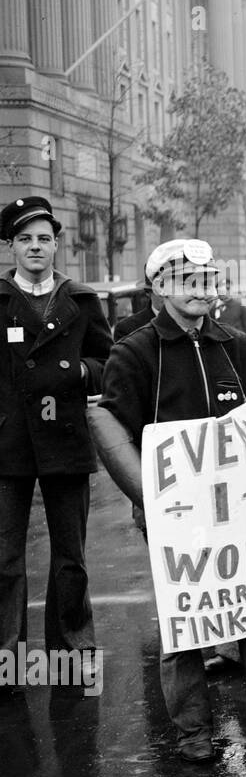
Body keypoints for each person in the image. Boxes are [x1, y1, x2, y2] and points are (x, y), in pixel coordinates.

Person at [96, 238, 246, 762]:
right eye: (186, 279)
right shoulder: (134, 351)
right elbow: (117, 434)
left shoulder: (235, 345)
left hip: (241, 509)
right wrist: (149, 500)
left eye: (208, 279)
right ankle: (194, 733)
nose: (201, 289)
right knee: (187, 620)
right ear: (158, 287)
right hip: (175, 515)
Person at [0, 196, 111, 694]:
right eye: (25, 239)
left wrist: (79, 373)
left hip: (65, 436)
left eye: (44, 238)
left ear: (56, 244)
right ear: (10, 247)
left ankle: (71, 652)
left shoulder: (81, 299)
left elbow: (109, 363)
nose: (35, 247)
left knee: (71, 554)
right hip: (9, 441)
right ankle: (7, 662)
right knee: (4, 558)